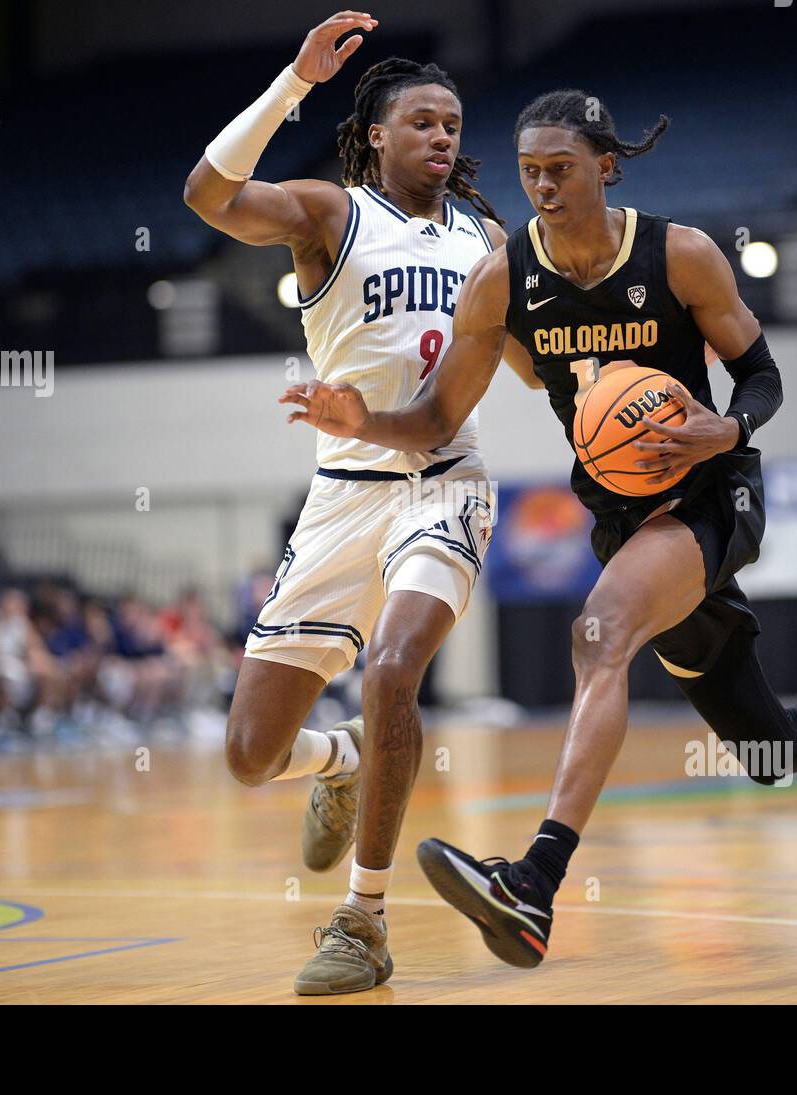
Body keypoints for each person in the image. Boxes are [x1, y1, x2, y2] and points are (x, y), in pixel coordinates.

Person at [282, 88, 797, 971]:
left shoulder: (679, 254)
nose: (543, 187)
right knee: (765, 746)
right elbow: (432, 421)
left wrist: (725, 429)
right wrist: (362, 421)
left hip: (709, 497)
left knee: (598, 633)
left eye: (562, 170)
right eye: (530, 173)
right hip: (624, 517)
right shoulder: (504, 277)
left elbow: (761, 374)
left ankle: (533, 883)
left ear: (606, 166)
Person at [184, 10, 537, 993]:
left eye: (453, 126)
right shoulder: (330, 216)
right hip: (343, 495)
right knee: (251, 756)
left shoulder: (487, 240)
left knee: (393, 670)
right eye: (421, 121)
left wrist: (592, 368)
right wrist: (292, 83)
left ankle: (362, 920)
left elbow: (534, 377)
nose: (441, 138)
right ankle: (339, 759)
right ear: (377, 135)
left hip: (444, 483)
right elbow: (206, 195)